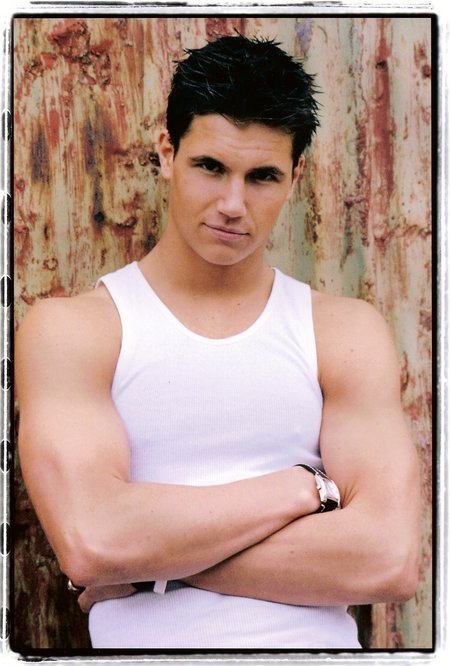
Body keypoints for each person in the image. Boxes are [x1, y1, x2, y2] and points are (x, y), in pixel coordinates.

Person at [15, 35, 421, 650]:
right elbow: (93, 541)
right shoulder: (77, 330)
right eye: (210, 167)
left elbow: (388, 559)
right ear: (167, 152)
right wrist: (303, 488)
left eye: (262, 177)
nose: (233, 204)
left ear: (295, 177)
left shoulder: (343, 333)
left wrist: (148, 569)